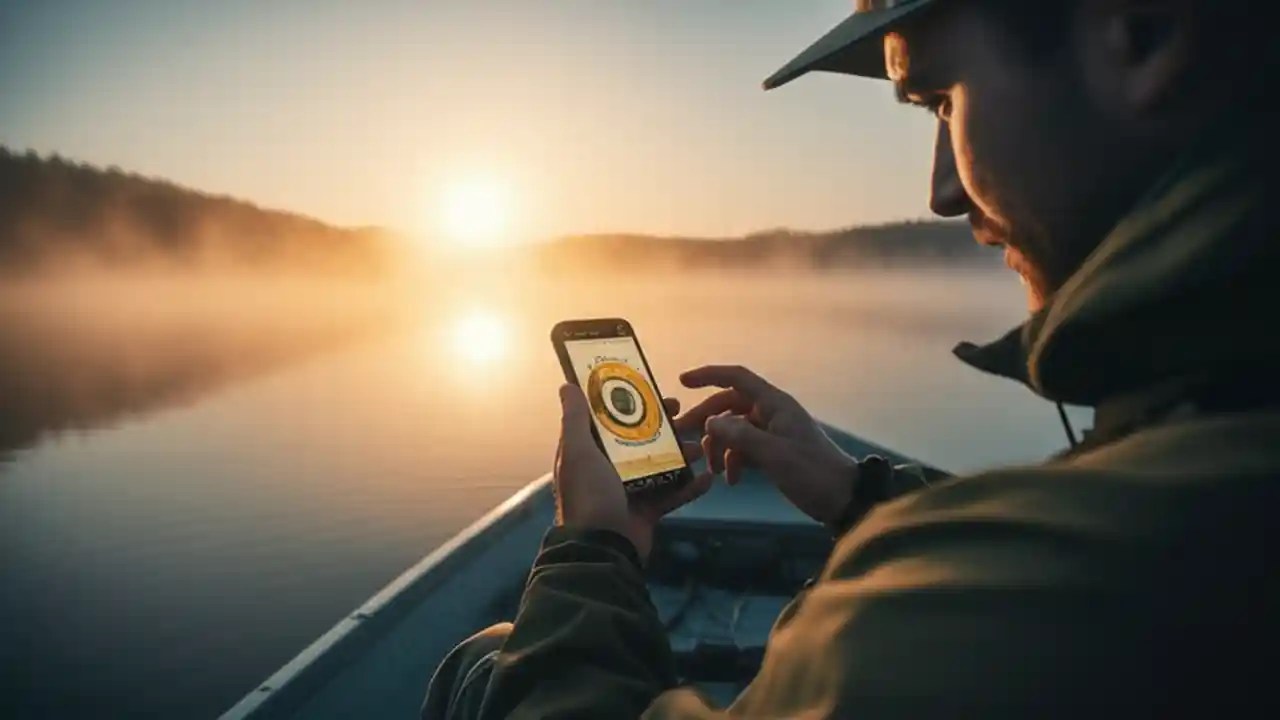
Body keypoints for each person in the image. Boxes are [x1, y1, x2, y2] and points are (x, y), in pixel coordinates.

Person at [424, 0, 1279, 716]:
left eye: (942, 99)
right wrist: (861, 495)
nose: (943, 192)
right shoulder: (1221, 434)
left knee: (484, 668)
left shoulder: (952, 636)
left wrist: (594, 546)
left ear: (1146, 32)